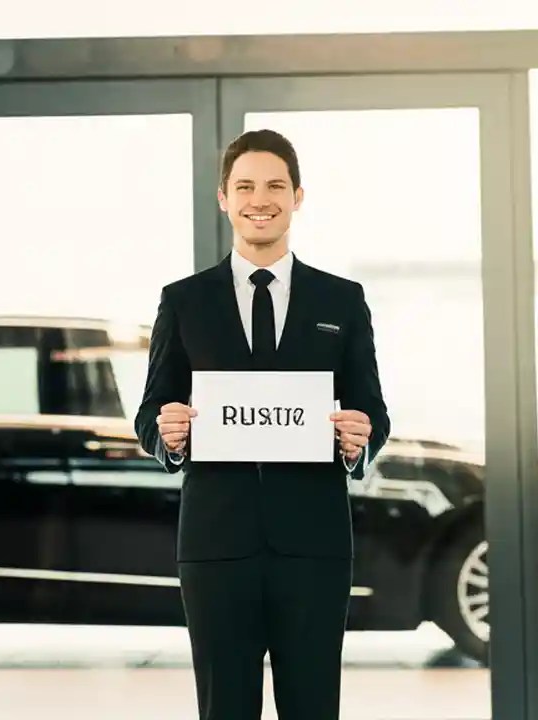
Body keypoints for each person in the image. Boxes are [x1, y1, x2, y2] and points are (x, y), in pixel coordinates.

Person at [134, 128, 390, 720]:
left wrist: (360, 438)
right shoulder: (184, 301)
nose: (260, 198)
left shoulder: (341, 301)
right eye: (245, 185)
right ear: (223, 198)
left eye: (275, 185)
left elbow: (372, 411)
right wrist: (165, 433)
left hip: (314, 544)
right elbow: (152, 410)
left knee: (312, 707)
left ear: (297, 196)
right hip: (217, 545)